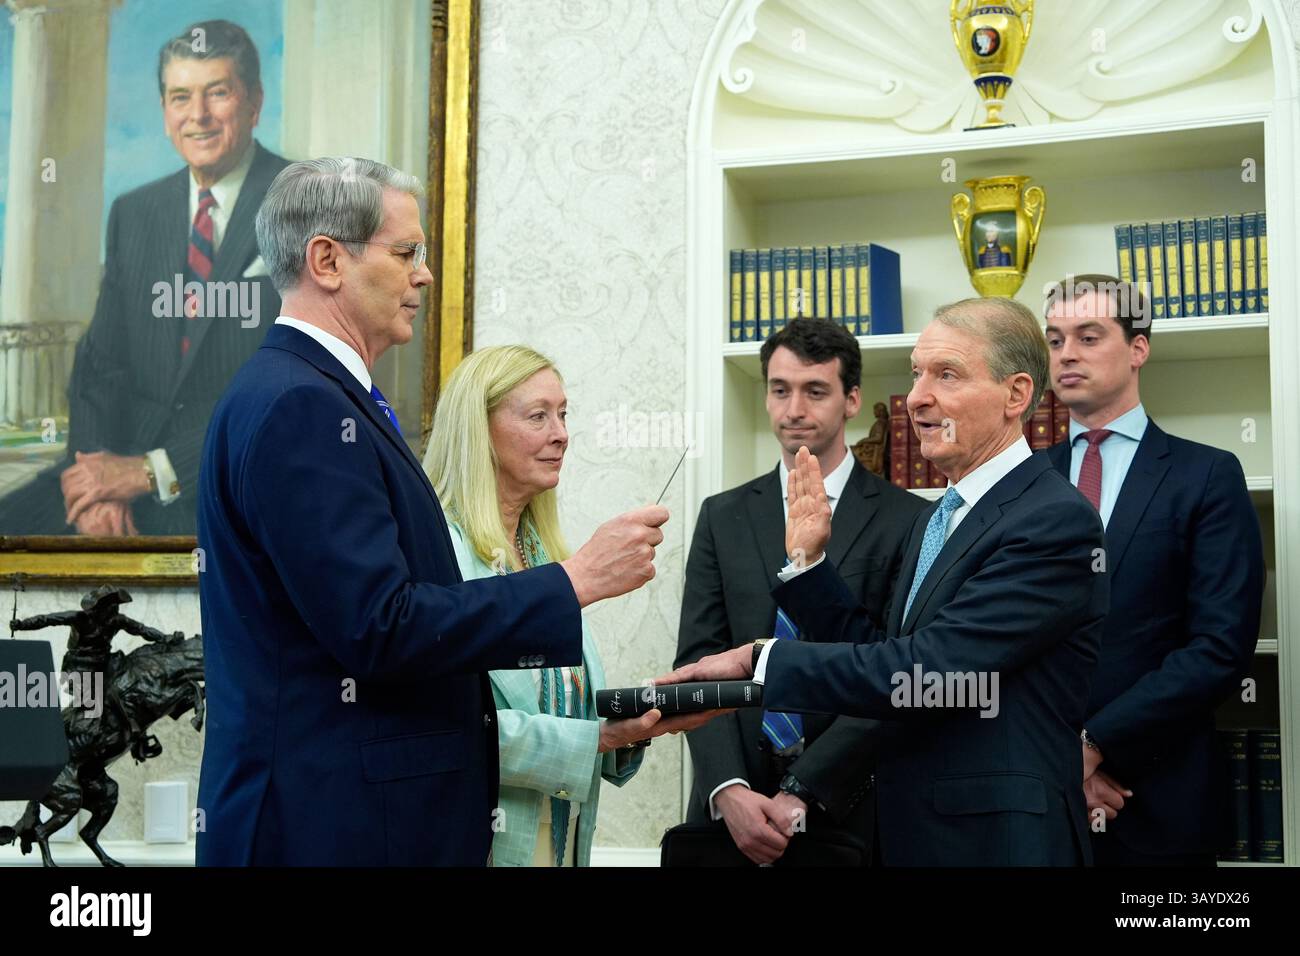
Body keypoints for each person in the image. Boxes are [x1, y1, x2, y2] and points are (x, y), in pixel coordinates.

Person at [195, 157, 668, 865]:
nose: (424, 274)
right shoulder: (303, 404)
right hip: (329, 831)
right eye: (406, 252)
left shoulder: (318, 394)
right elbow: (379, 629)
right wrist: (572, 582)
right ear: (327, 259)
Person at [661, 297, 1108, 866]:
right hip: (912, 838)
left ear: (1016, 395)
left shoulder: (1052, 518)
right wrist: (809, 567)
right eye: (917, 373)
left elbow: (931, 670)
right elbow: (885, 656)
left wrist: (760, 660)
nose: (917, 396)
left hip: (996, 845)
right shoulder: (939, 516)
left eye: (946, 375)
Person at [0, 19, 289, 535]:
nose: (197, 116)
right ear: (164, 113)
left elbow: (290, 390)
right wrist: (95, 482)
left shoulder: (301, 204)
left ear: (254, 102)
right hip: (115, 470)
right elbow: (99, 366)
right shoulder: (134, 212)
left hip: (228, 479)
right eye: (180, 97)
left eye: (217, 93)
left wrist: (151, 472)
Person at [424, 345, 706, 866]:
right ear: (477, 430)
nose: (561, 434)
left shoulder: (540, 555)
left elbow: (566, 712)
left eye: (563, 413)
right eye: (538, 416)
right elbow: (450, 728)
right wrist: (595, 738)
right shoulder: (439, 555)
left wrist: (636, 721)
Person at [675, 319, 924, 865]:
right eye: (780, 389)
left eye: (815, 391)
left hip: (853, 808)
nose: (794, 410)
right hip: (728, 818)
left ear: (852, 398)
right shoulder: (723, 515)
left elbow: (896, 671)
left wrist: (804, 790)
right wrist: (729, 790)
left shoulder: (911, 520)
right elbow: (699, 657)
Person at [1045, 274, 1264, 866]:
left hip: (1161, 800)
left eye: (1089, 337)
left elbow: (1220, 647)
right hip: (1035, 801)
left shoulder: (1206, 475)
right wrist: (1059, 764)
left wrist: (1094, 747)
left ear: (1139, 348)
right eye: (1056, 339)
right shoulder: (1024, 481)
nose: (1067, 354)